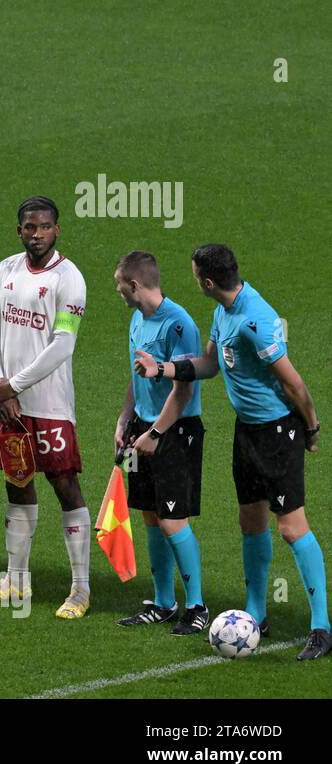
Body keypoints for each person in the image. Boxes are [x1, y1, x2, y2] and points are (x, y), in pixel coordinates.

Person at [135, 244, 328, 659]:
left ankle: (321, 626)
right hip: (247, 434)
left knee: (291, 528)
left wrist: (310, 427)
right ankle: (257, 612)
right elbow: (208, 364)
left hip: (278, 433)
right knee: (250, 522)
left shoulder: (254, 319)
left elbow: (294, 383)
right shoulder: (224, 310)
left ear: (206, 281)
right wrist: (163, 369)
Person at [0, 195, 91, 619]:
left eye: (43, 227)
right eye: (28, 227)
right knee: (16, 483)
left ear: (57, 230)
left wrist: (12, 386)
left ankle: (80, 588)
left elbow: (63, 344)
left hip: (51, 405)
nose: (36, 234)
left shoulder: (69, 279)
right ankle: (15, 580)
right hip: (8, 406)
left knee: (64, 486)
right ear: (18, 230)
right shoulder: (4, 270)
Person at [113, 251, 209, 634]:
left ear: (134, 284)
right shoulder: (137, 318)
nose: (117, 291)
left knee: (172, 519)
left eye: (120, 284)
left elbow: (183, 390)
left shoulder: (179, 324)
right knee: (150, 515)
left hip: (175, 432)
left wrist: (155, 434)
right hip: (143, 429)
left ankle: (197, 605)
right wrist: (125, 420)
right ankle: (163, 602)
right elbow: (136, 378)